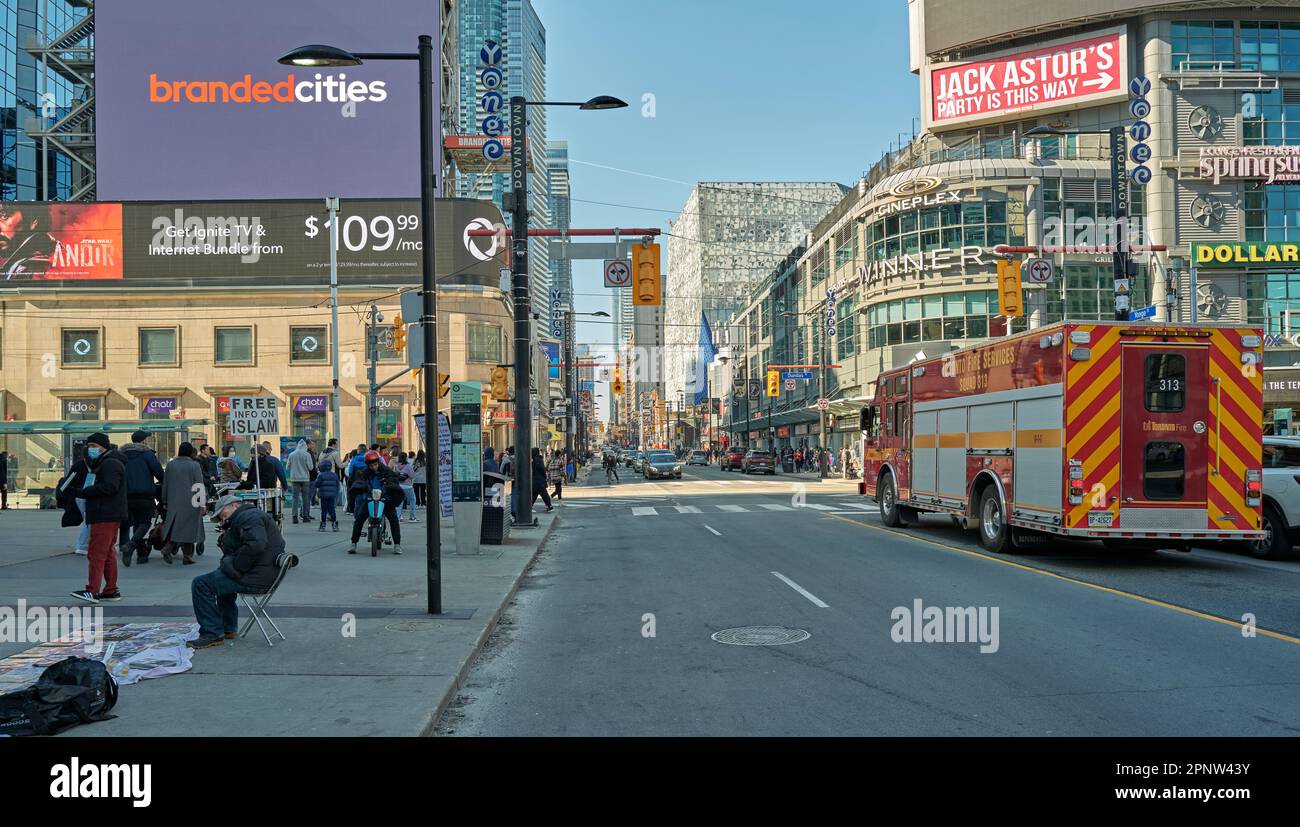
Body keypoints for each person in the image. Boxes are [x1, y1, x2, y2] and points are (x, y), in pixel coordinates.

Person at [188, 494, 286, 649]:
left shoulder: (249, 517)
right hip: (261, 574)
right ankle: (228, 628)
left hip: (256, 578)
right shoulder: (248, 517)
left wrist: (235, 568)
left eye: (223, 514)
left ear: (234, 506)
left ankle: (211, 633)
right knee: (221, 581)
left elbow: (256, 545)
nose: (222, 518)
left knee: (200, 584)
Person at [67, 433, 127, 603]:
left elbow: (110, 487)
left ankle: (92, 590)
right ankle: (111, 590)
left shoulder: (109, 464)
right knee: (107, 552)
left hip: (105, 513)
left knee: (97, 553)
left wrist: (85, 492)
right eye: (89, 445)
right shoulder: (106, 463)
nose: (90, 449)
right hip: (108, 512)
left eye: (93, 445)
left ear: (103, 447)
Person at [119, 430, 164, 567]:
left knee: (136, 524)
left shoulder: (122, 454)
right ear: (144, 441)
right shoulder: (147, 454)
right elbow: (159, 473)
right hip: (145, 494)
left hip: (126, 495)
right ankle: (131, 545)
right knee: (144, 523)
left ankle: (141, 554)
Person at [347, 450, 404, 554]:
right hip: (370, 499)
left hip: (385, 499)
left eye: (375, 464)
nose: (374, 467)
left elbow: (393, 480)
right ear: (368, 465)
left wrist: (387, 486)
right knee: (359, 519)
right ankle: (353, 543)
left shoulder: (386, 470)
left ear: (378, 462)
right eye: (371, 465)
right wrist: (363, 489)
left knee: (394, 519)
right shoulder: (364, 472)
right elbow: (359, 481)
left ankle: (397, 544)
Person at [159, 442, 206, 565]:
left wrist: (164, 500)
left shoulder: (171, 465)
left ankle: (185, 556)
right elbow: (198, 485)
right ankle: (180, 553)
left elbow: (166, 484)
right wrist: (202, 503)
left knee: (177, 527)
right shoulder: (194, 465)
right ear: (191, 452)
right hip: (191, 502)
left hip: (173, 501)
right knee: (189, 529)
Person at [55, 454, 90, 555]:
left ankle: (83, 545)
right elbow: (68, 482)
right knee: (88, 521)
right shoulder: (80, 465)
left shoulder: (81, 465)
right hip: (81, 495)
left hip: (82, 494)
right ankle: (82, 545)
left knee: (88, 521)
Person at [286, 439, 315, 524]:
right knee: (305, 498)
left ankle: (294, 517)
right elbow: (311, 467)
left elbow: (287, 467)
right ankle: (305, 516)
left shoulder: (291, 454)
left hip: (294, 479)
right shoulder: (307, 454)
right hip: (305, 479)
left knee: (295, 498)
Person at [315, 459, 341, 532]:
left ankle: (323, 525)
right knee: (332, 510)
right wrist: (335, 493)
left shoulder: (321, 475)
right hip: (332, 496)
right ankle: (334, 524)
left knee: (323, 510)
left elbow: (317, 484)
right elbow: (337, 485)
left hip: (323, 495)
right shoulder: (334, 475)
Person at [394, 452, 417, 522]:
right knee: (413, 500)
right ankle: (412, 517)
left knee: (399, 502)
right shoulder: (408, 466)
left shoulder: (396, 465)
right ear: (406, 458)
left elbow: (394, 474)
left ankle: (397, 517)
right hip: (408, 486)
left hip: (399, 485)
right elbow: (412, 476)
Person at [530, 447, 554, 512]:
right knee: (540, 493)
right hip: (540, 480)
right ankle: (549, 505)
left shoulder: (535, 460)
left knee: (537, 493)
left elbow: (541, 470)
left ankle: (549, 506)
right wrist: (545, 477)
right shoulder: (539, 460)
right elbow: (543, 470)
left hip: (537, 480)